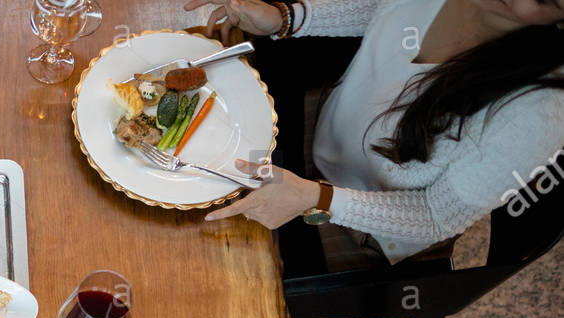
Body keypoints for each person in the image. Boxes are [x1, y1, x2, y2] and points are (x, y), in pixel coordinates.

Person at [183, 0, 564, 266]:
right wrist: (286, 18)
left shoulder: (538, 115)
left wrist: (315, 197)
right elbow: (383, 7)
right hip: (327, 130)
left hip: (360, 224)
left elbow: (436, 216)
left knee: (195, 248)